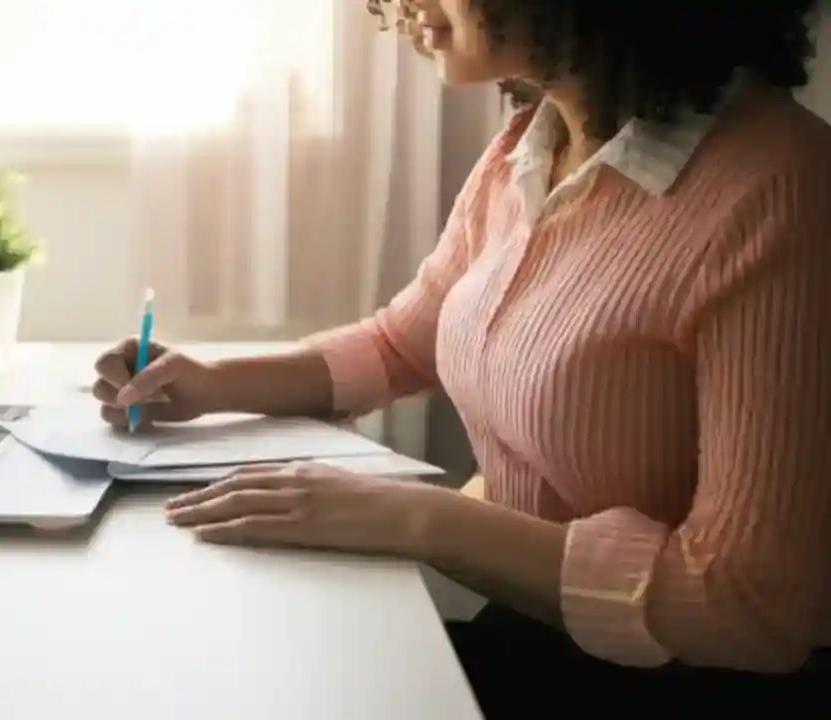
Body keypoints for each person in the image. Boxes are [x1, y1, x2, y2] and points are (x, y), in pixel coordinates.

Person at [93, 0, 831, 714]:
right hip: (539, 643)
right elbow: (398, 343)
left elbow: (749, 604)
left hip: (689, 688)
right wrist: (211, 383)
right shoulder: (531, 145)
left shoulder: (782, 195)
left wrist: (422, 520)